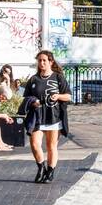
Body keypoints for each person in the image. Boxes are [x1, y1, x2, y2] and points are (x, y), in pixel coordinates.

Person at [22, 50, 72, 183]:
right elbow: (26, 97)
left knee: (51, 146)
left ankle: (50, 172)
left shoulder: (58, 77)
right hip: (37, 116)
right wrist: (33, 101)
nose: (42, 63)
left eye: (44, 60)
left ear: (51, 62)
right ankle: (41, 167)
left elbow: (68, 96)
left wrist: (58, 96)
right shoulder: (33, 79)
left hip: (53, 116)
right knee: (34, 144)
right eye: (39, 60)